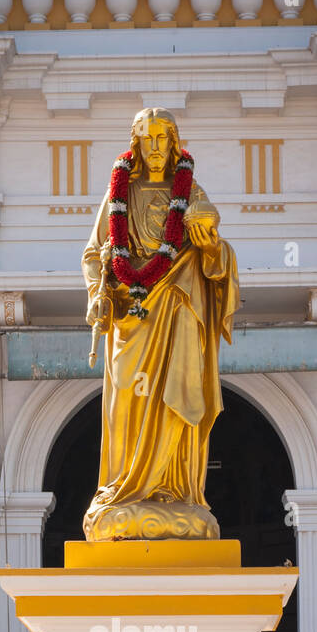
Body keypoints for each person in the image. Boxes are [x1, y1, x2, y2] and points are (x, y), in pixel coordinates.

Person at [82, 107, 239, 542]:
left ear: (174, 143)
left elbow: (216, 256)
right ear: (135, 143)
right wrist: (97, 293)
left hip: (178, 307)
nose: (154, 147)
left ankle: (175, 490)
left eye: (161, 138)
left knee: (178, 394)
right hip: (131, 319)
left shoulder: (191, 194)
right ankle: (125, 489)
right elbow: (96, 253)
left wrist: (208, 248)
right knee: (128, 401)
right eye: (146, 138)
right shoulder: (120, 194)